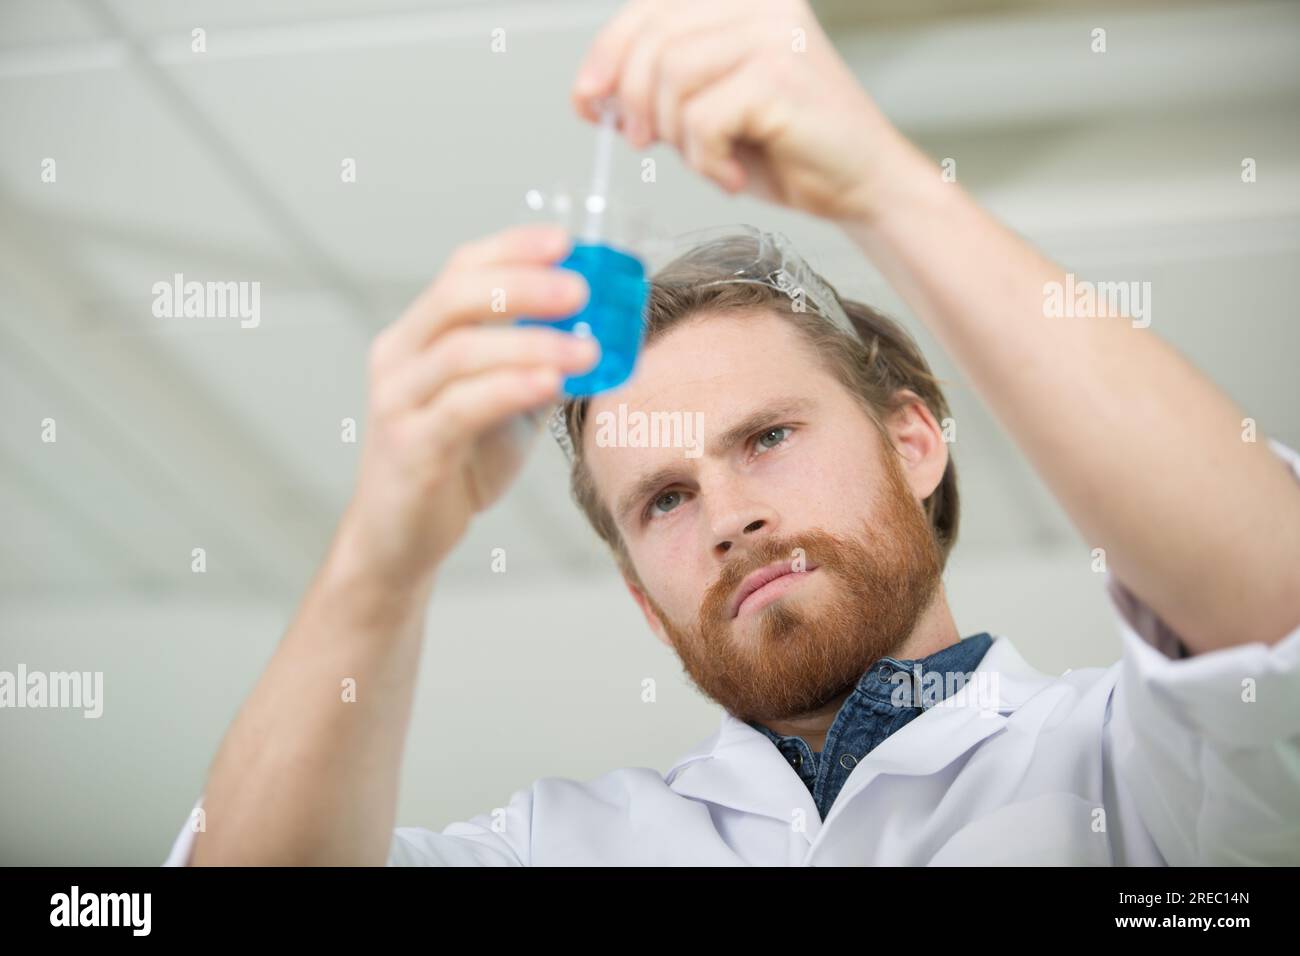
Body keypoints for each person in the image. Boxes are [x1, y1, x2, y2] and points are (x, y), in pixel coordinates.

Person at [165, 0, 1300, 866]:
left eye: (766, 436)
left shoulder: (1136, 777)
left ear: (913, 440)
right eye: (661, 497)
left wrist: (879, 183)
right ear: (639, 599)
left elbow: (1275, 602)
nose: (728, 515)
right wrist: (381, 554)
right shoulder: (552, 847)